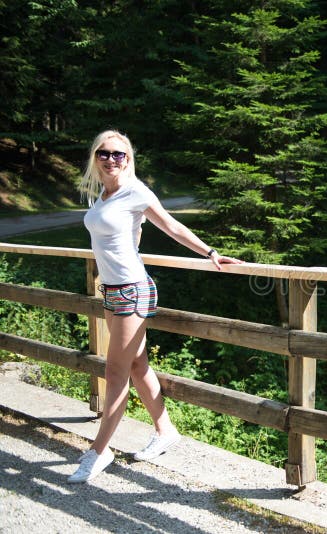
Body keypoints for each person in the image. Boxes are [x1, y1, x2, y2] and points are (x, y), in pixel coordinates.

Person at [69, 130, 243, 483]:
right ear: (95, 157)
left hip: (134, 290)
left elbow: (171, 225)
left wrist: (210, 252)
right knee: (136, 365)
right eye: (104, 153)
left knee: (115, 373)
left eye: (119, 154)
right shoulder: (102, 195)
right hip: (112, 290)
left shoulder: (136, 191)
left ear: (128, 159)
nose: (111, 159)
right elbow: (125, 236)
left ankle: (98, 452)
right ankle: (165, 431)